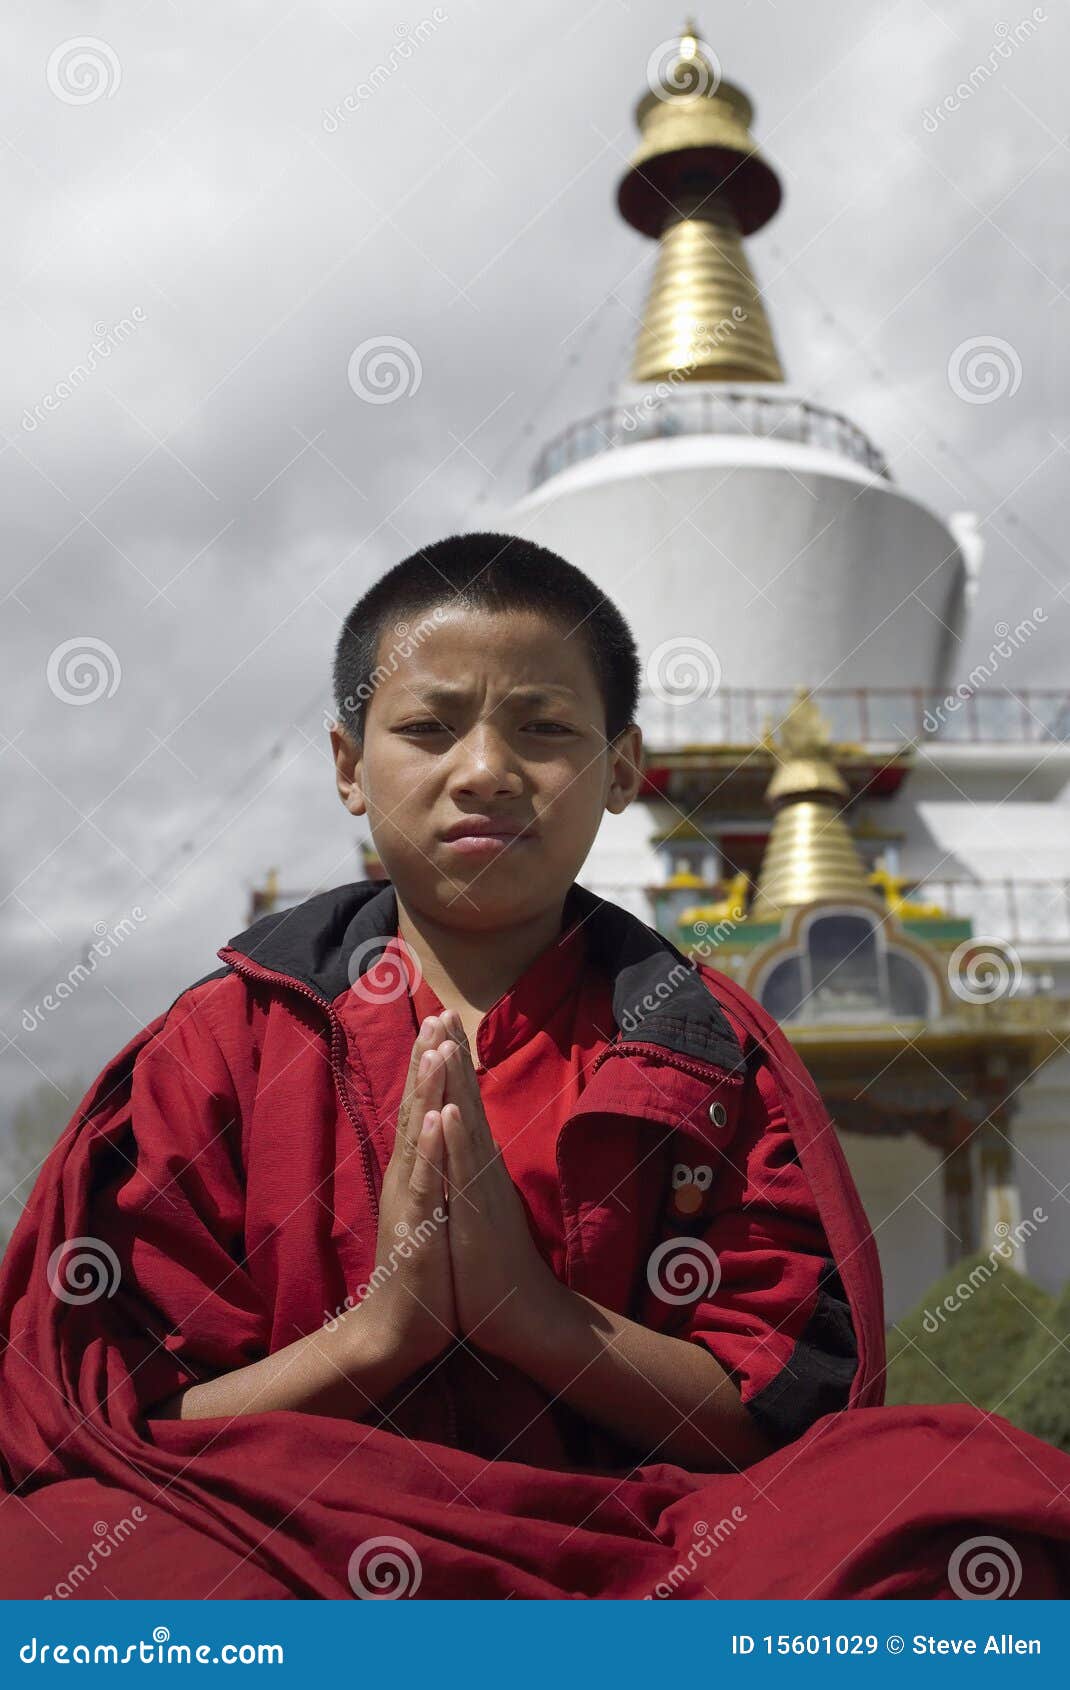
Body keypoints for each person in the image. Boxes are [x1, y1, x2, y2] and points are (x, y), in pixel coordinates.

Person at [0, 532, 1067, 1601]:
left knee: (966, 1505)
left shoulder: (699, 1045)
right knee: (59, 1560)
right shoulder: (228, 1039)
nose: (485, 773)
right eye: (426, 727)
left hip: (644, 1544)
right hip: (282, 1532)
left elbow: (783, 1406)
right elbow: (106, 1418)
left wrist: (533, 1318)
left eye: (545, 729)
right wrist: (377, 1337)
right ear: (347, 767)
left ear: (621, 772)